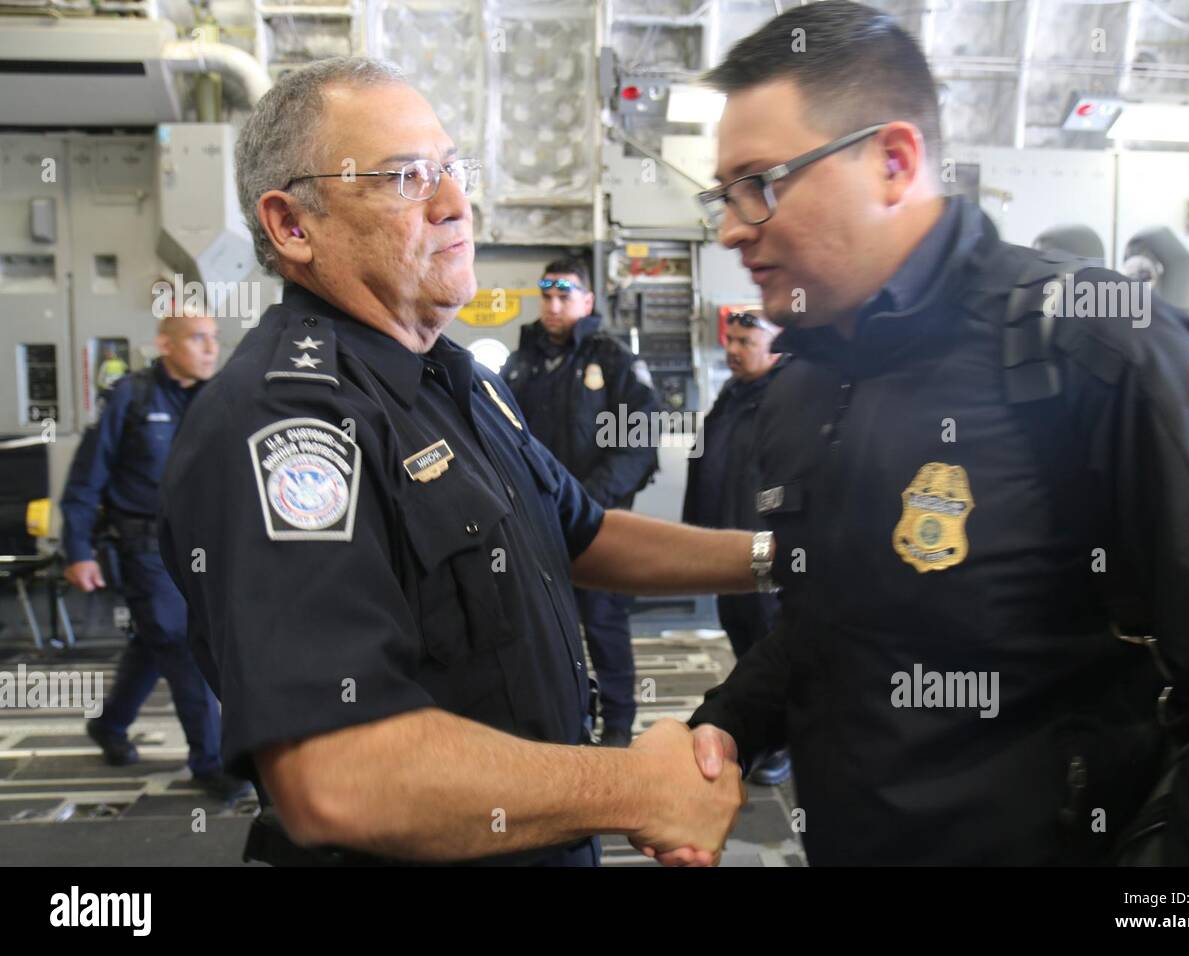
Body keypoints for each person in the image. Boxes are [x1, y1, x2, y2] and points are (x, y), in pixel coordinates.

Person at [672, 1, 1189, 866]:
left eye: (759, 184)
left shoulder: (1090, 346)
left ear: (893, 163)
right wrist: (730, 725)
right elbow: (831, 623)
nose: (734, 227)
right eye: (724, 195)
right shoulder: (803, 388)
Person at [157, 57, 764, 867]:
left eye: (452, 169)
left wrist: (780, 559)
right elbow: (335, 775)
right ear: (292, 225)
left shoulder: (458, 380)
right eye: (408, 178)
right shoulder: (286, 420)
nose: (455, 204)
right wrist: (638, 788)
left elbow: (585, 534)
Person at [60, 308, 250, 803]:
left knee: (153, 642)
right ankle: (211, 762)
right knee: (181, 643)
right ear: (165, 345)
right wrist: (78, 550)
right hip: (143, 546)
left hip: (203, 546)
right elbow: (86, 479)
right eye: (197, 339)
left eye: (214, 338)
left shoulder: (220, 399)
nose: (211, 348)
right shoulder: (131, 397)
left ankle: (110, 724)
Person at [501, 258, 660, 747]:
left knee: (604, 623)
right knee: (542, 626)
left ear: (587, 301)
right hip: (534, 527)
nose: (553, 305)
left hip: (598, 524)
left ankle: (616, 724)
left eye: (564, 295)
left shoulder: (613, 362)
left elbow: (638, 444)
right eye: (546, 295)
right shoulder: (520, 365)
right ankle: (562, 721)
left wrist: (584, 506)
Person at [682, 310, 790, 784]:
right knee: (744, 642)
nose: (733, 348)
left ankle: (782, 745)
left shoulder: (789, 401)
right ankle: (760, 731)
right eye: (731, 339)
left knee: (773, 645)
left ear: (778, 346)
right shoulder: (732, 395)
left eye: (747, 340)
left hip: (767, 554)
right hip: (726, 551)